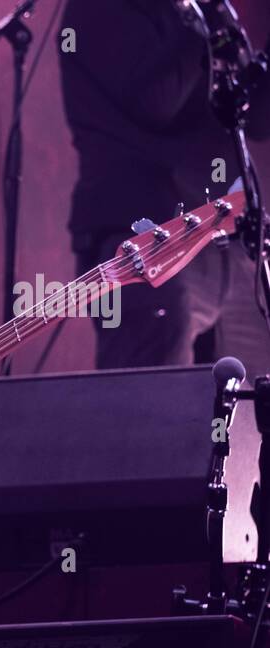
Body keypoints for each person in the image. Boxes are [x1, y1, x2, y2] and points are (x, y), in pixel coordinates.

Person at [60, 0, 270, 375]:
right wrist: (198, 22)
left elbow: (257, 121)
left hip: (225, 240)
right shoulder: (99, 8)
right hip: (143, 240)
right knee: (151, 414)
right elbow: (156, 100)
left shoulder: (205, 10)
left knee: (242, 416)